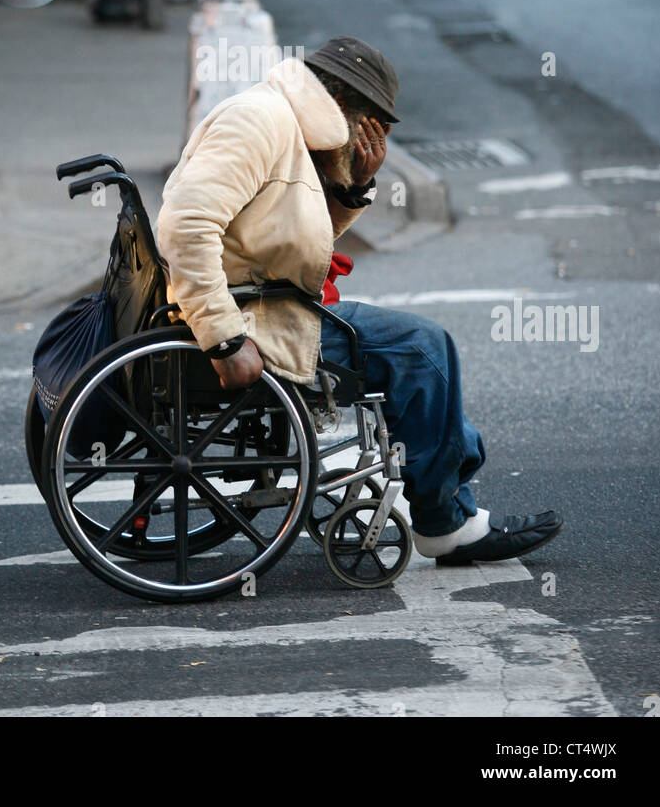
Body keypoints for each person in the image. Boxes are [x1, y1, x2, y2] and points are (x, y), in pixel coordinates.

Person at [157, 36, 562, 565]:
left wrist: (353, 185)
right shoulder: (258, 122)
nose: (377, 138)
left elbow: (294, 235)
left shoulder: (280, 121)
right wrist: (225, 339)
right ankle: (446, 522)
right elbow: (184, 226)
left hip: (268, 305)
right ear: (346, 108)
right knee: (423, 349)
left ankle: (449, 503)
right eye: (374, 124)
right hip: (253, 319)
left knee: (418, 348)